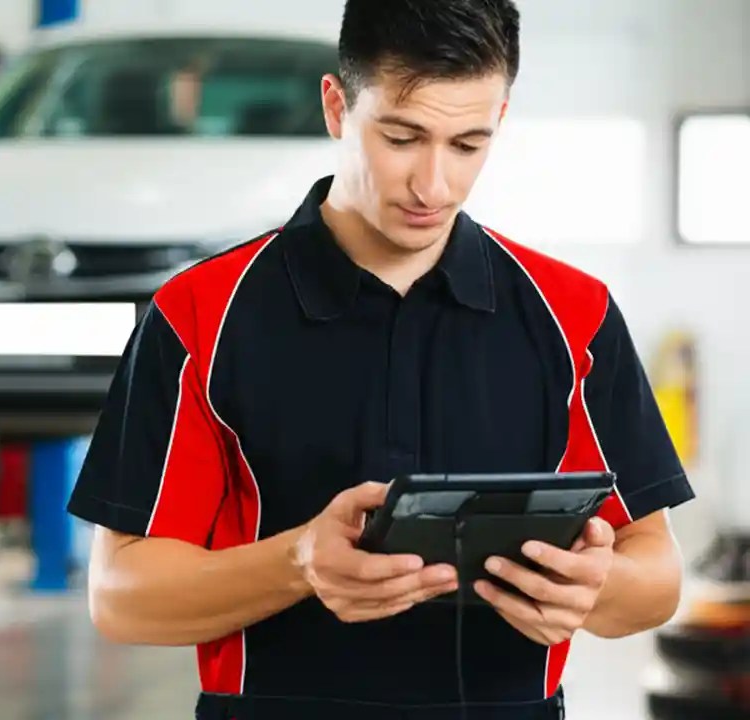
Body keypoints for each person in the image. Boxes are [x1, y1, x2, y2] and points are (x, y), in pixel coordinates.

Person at [65, 1, 696, 718]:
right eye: (402, 137)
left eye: (467, 144)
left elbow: (657, 574)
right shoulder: (200, 313)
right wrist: (298, 561)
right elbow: (120, 596)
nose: (434, 186)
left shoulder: (573, 315)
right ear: (337, 106)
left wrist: (593, 588)